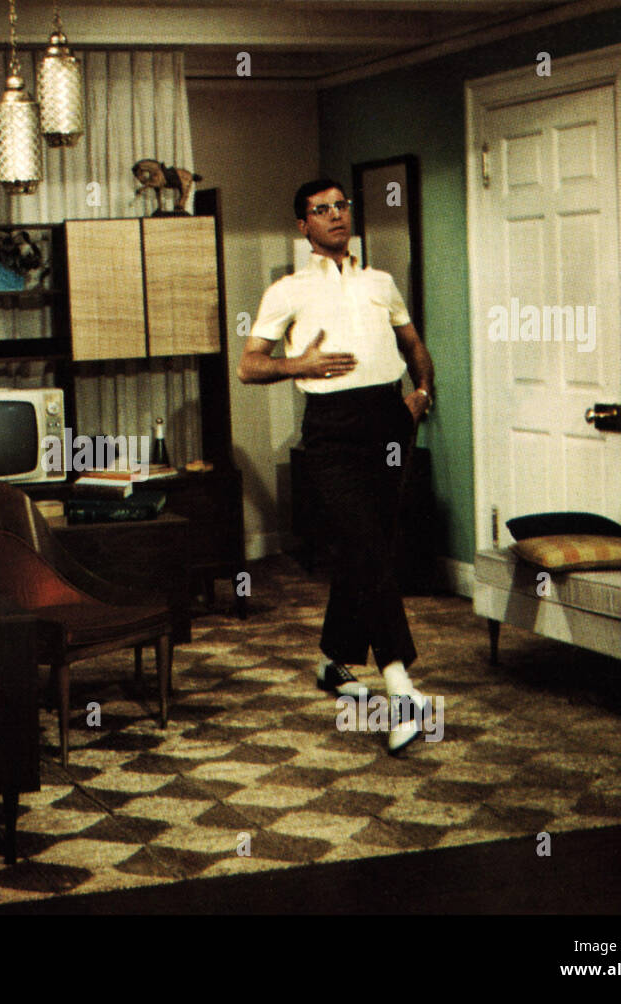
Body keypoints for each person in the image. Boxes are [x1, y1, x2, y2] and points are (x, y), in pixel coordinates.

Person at [238, 178, 437, 753]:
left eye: (341, 206)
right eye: (320, 211)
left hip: (388, 419)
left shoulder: (381, 282)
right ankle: (400, 685)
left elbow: (412, 342)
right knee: (365, 544)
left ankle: (333, 661)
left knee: (367, 546)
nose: (335, 216)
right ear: (303, 226)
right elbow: (250, 367)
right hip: (331, 428)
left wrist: (421, 389)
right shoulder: (287, 290)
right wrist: (300, 362)